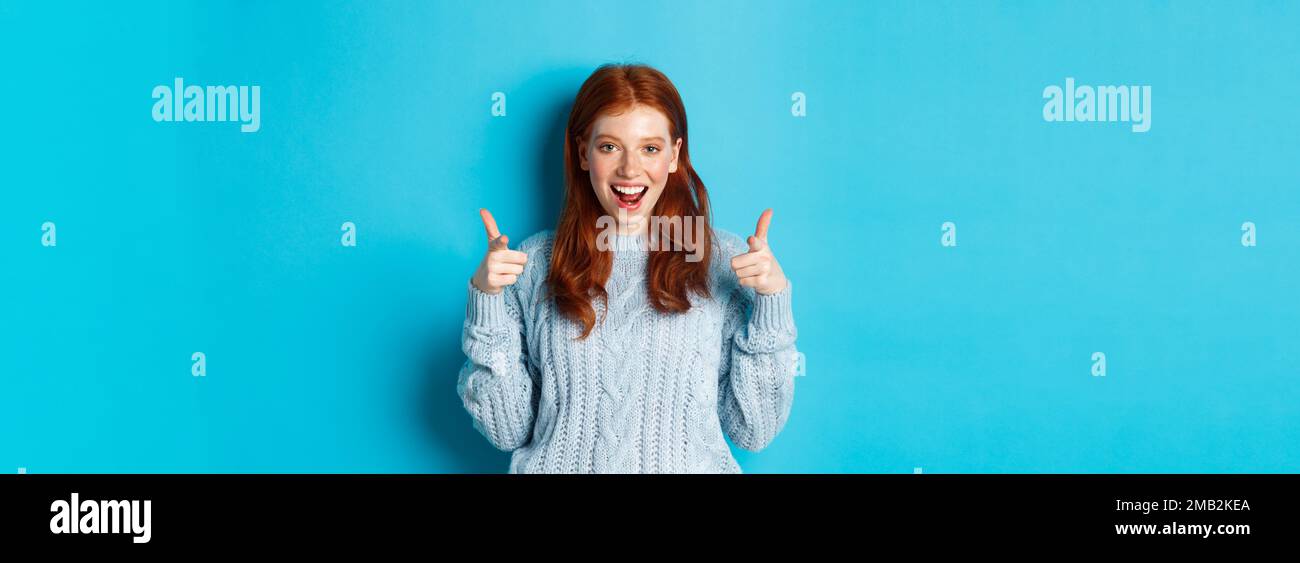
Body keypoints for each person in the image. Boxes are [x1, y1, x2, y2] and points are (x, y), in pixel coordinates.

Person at [456, 63, 800, 473]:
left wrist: (772, 304)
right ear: (583, 152)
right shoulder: (533, 265)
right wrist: (487, 303)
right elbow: (507, 430)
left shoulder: (721, 260)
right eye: (609, 147)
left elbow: (753, 430)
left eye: (649, 148)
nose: (630, 170)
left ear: (674, 155)